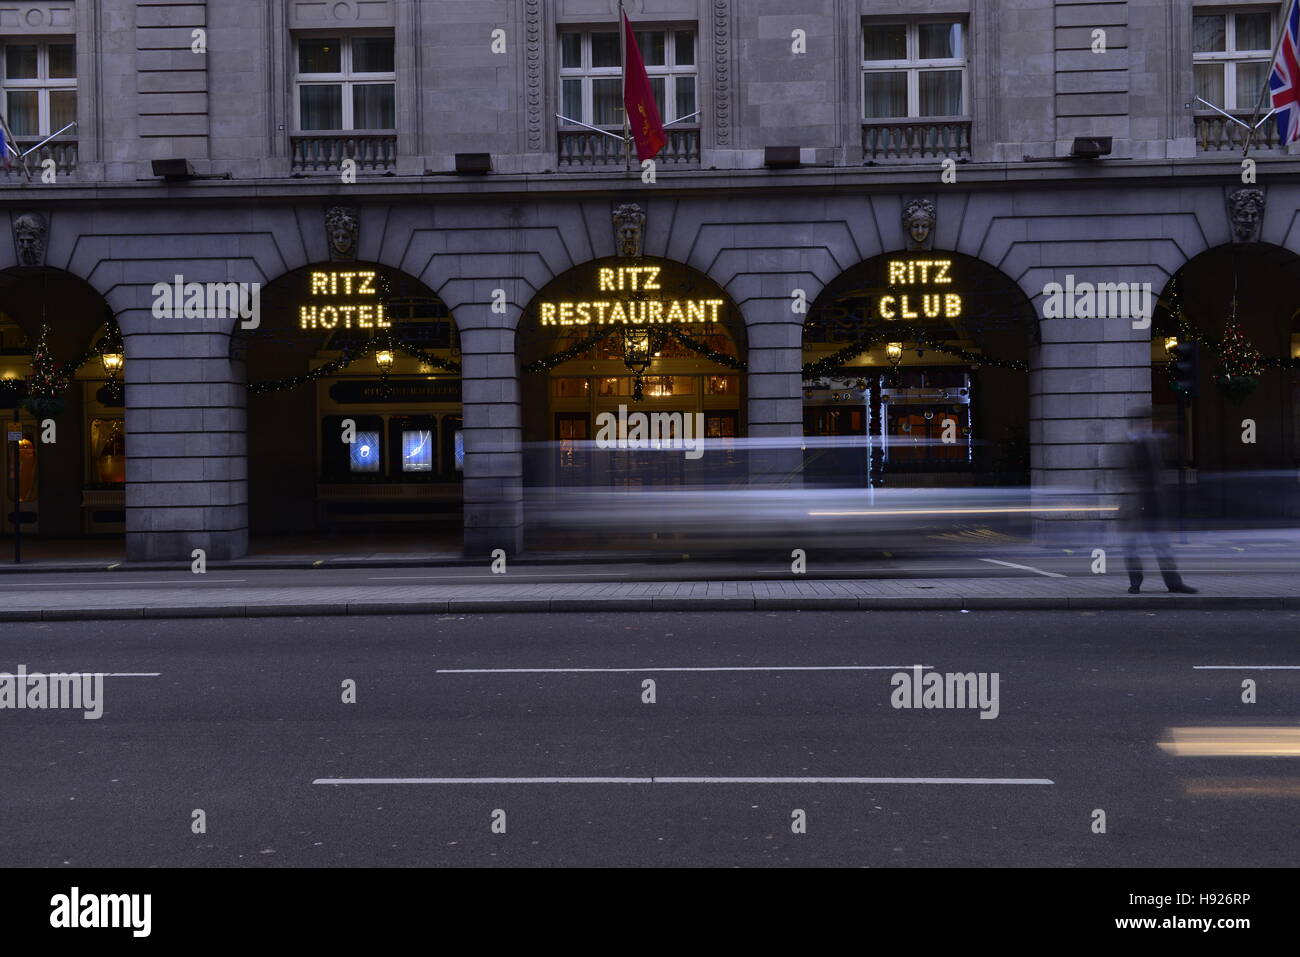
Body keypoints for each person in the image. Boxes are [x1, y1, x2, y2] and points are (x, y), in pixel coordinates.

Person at [1121, 408, 1196, 594]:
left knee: (1162, 546)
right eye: (1144, 422)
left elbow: (1158, 473)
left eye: (1148, 422)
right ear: (1136, 424)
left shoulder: (1153, 444)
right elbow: (1124, 475)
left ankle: (1174, 583)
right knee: (1132, 546)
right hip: (1135, 506)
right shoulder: (1126, 446)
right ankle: (1135, 583)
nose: (1148, 426)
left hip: (1154, 504)